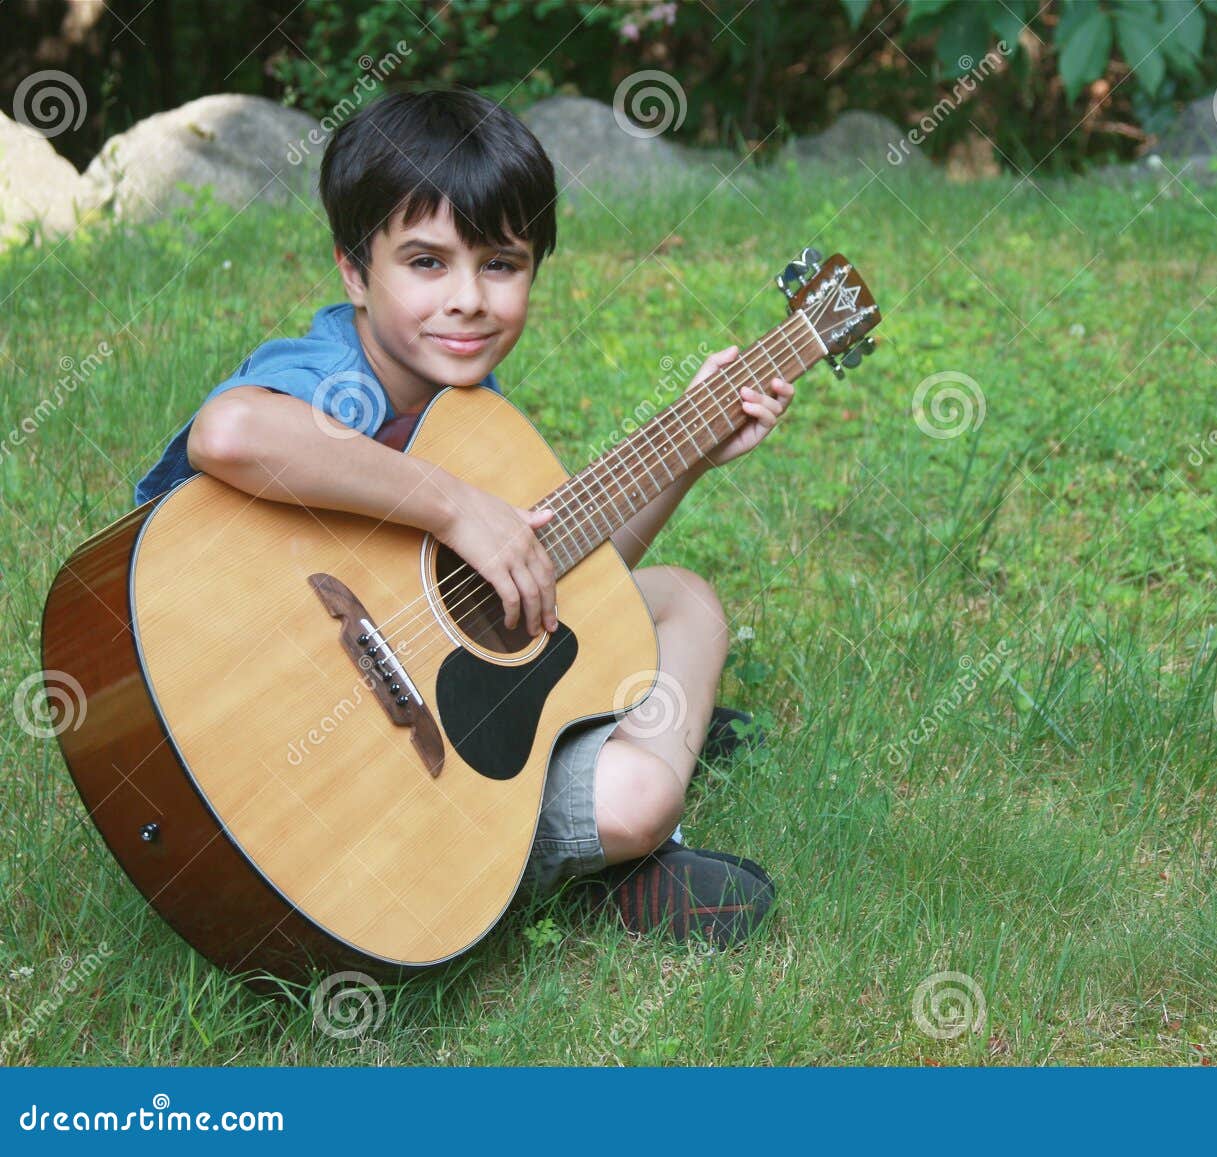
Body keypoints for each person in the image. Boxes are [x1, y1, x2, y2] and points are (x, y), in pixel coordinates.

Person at [131, 87, 790, 949]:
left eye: (501, 264)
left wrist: (687, 453)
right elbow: (231, 430)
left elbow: (564, 574)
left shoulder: (469, 408)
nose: (469, 298)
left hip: (437, 726)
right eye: (427, 262)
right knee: (640, 795)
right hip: (298, 727)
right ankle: (595, 856)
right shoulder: (335, 374)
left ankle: (606, 769)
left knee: (682, 600)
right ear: (353, 270)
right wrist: (454, 505)